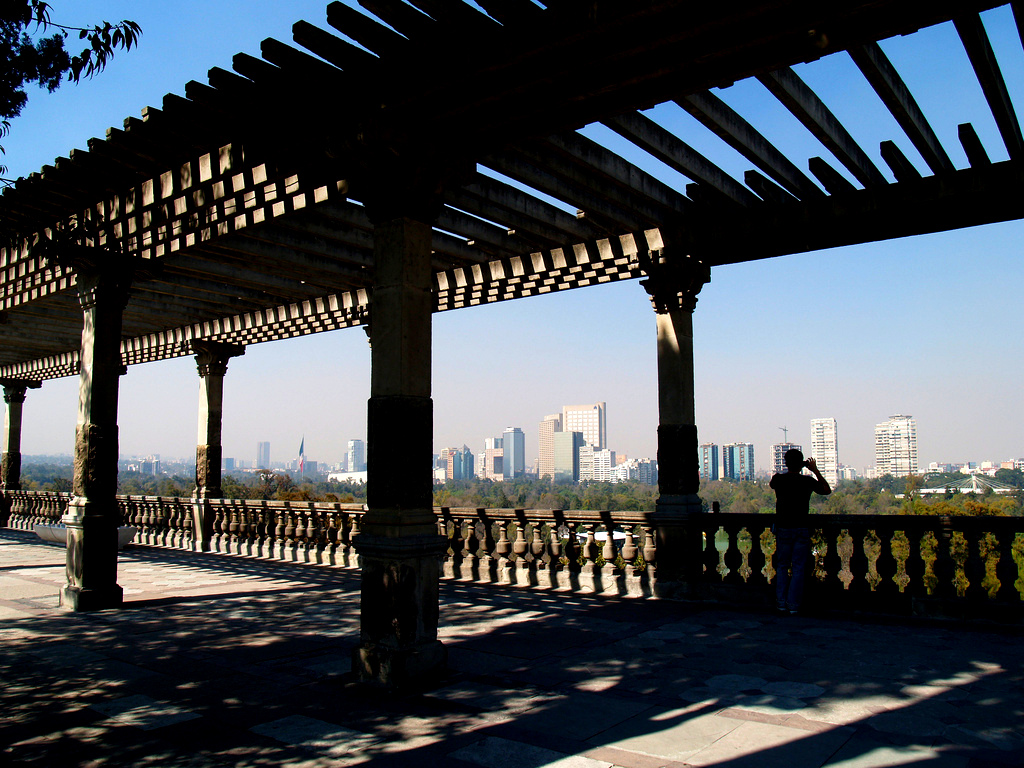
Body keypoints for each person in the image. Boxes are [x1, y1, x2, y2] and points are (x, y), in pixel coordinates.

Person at [770, 448, 831, 614]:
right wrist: (814, 469)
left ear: (786, 462)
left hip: (783, 528)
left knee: (782, 566)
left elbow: (772, 483)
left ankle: (781, 602)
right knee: (798, 568)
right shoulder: (807, 481)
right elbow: (826, 490)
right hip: (801, 528)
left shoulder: (779, 480)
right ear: (802, 463)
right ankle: (793, 605)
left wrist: (795, 466)